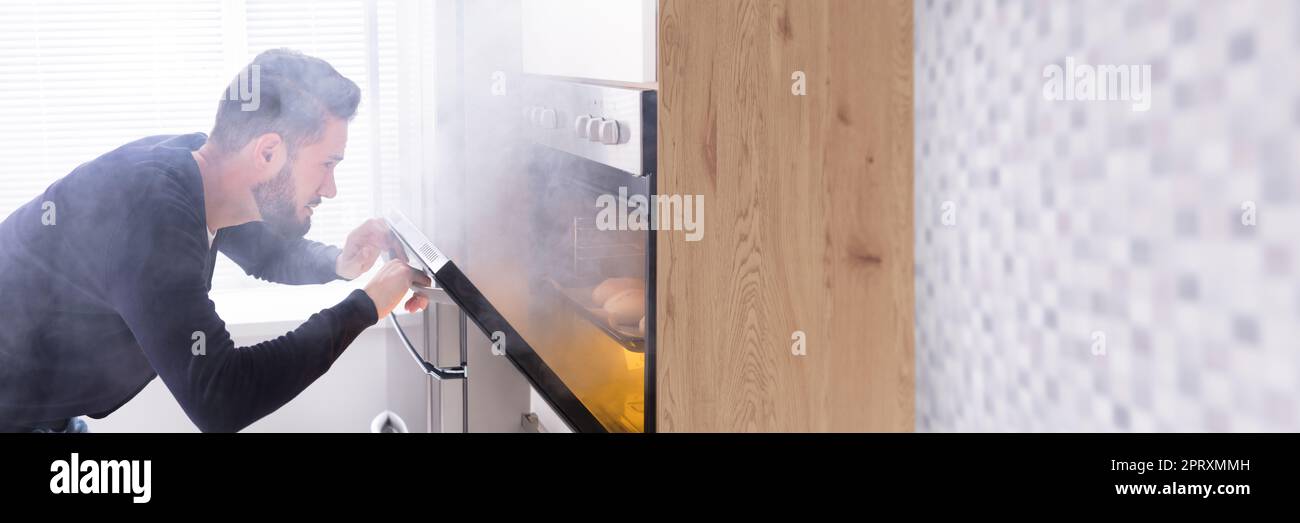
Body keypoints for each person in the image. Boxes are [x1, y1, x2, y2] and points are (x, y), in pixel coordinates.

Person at [0, 49, 430, 432]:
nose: (331, 188)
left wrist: (340, 263)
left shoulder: (201, 171)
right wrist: (366, 306)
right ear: (267, 153)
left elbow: (266, 252)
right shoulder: (153, 216)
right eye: (327, 164)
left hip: (44, 409)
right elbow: (223, 397)